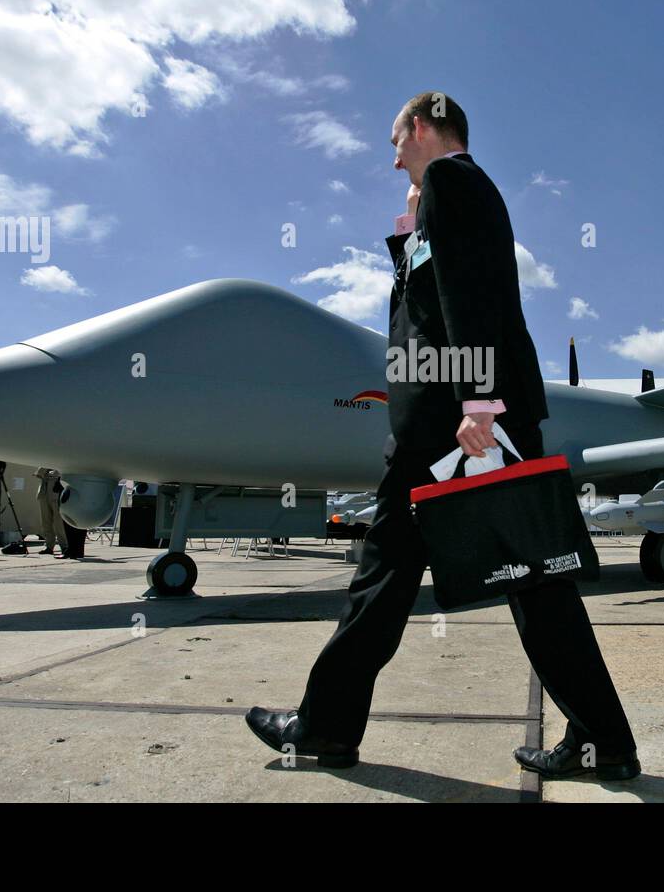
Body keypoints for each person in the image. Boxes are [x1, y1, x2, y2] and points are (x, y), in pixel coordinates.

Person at [246, 92, 639, 780]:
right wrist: (407, 235)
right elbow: (434, 298)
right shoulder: (446, 196)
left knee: (515, 577)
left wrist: (480, 405)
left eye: (396, 138)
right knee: (455, 575)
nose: (392, 153)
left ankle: (326, 725)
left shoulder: (454, 183)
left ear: (422, 127)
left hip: (457, 428)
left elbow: (474, 298)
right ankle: (330, 725)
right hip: (446, 424)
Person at [33, 467, 67, 554]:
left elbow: (59, 473)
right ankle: (49, 546)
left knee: (58, 522)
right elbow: (38, 473)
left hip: (55, 491)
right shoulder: (46, 462)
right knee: (46, 522)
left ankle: (64, 546)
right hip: (44, 491)